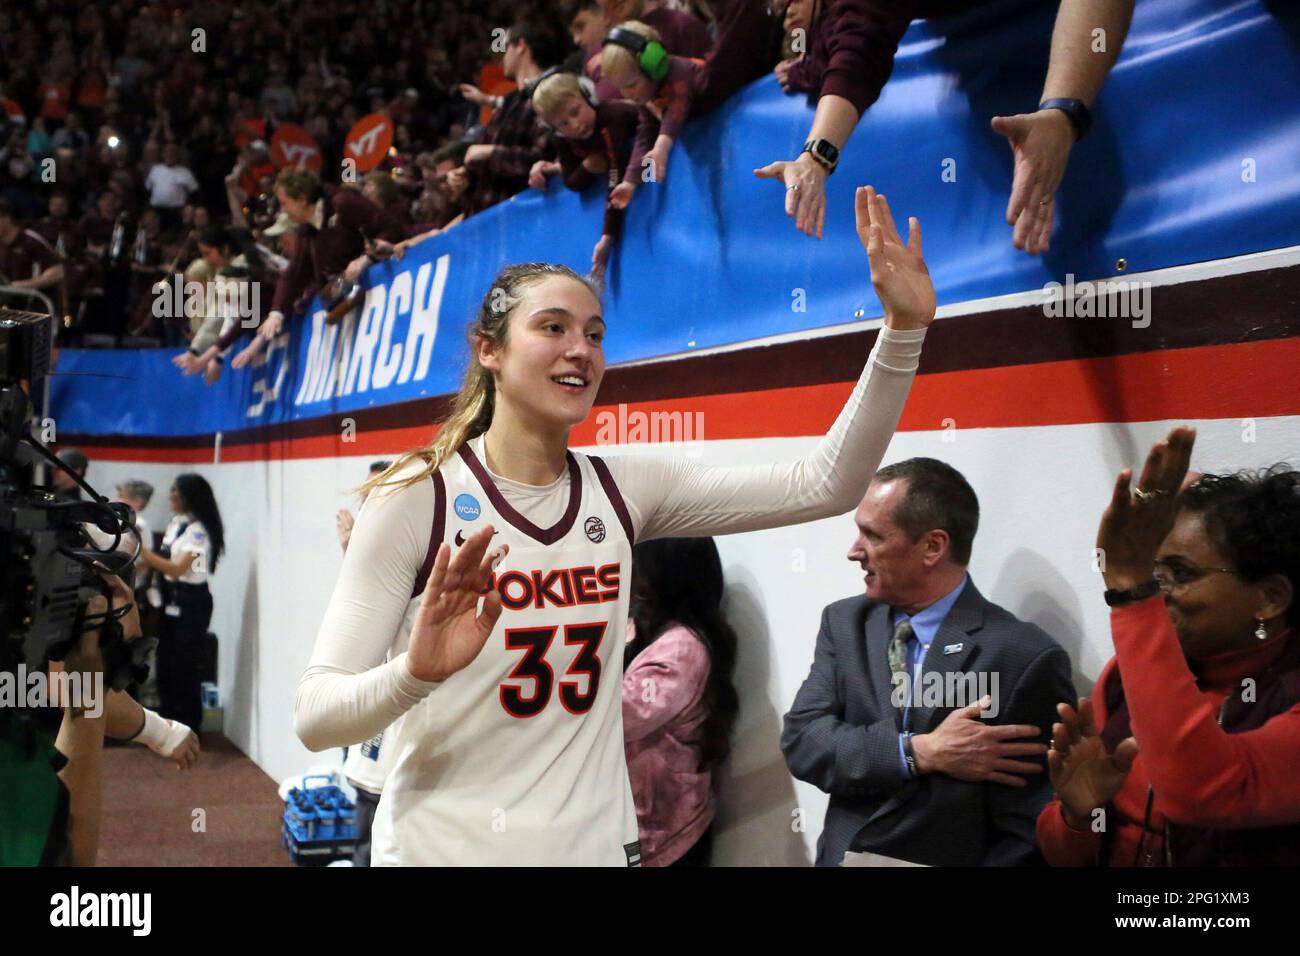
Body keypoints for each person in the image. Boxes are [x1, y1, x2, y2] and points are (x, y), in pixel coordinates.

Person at [295, 186, 934, 866]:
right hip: (440, 852)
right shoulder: (417, 496)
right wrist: (413, 675)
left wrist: (903, 331)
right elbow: (317, 716)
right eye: (553, 328)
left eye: (595, 334)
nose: (580, 350)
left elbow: (825, 483)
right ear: (489, 350)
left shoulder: (622, 487)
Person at [781, 457, 1074, 866]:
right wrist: (917, 752)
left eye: (872, 535)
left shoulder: (1023, 657)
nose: (853, 552)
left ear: (933, 547)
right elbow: (804, 741)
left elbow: (1027, 829)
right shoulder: (845, 623)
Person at [1038, 428, 1300, 866]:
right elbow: (1060, 852)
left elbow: (1202, 790)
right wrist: (1077, 815)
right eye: (1152, 572)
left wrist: (1130, 588)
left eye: (1180, 573)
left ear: (1269, 597)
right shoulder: (1127, 676)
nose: (1158, 592)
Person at [623, 537, 739, 866]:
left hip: (667, 837)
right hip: (650, 827)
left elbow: (616, 716)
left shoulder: (681, 648)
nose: (634, 580)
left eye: (641, 570)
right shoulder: (645, 627)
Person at [600, 10, 782, 211]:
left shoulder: (678, 71)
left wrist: (661, 148)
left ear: (654, 64)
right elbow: (646, 134)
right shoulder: (648, 95)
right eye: (621, 87)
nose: (628, 94)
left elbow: (677, 109)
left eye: (632, 84)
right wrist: (629, 183)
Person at [336, 459, 395, 866]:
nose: (369, 498)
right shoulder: (368, 546)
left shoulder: (411, 544)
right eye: (367, 491)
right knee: (362, 805)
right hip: (360, 688)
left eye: (381, 490)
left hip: (393, 699)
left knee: (380, 810)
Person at [528, 70, 640, 280]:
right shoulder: (563, 140)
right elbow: (572, 182)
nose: (575, 124)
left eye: (575, 111)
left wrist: (607, 237)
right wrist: (588, 166)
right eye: (563, 124)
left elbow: (615, 180)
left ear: (589, 95)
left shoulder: (612, 119)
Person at [137, 474, 225, 734]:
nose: (170, 495)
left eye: (176, 491)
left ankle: (188, 722)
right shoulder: (178, 524)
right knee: (166, 660)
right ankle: (169, 719)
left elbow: (177, 569)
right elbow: (164, 560)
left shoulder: (198, 532)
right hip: (170, 598)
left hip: (190, 603)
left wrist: (141, 551)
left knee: (185, 663)